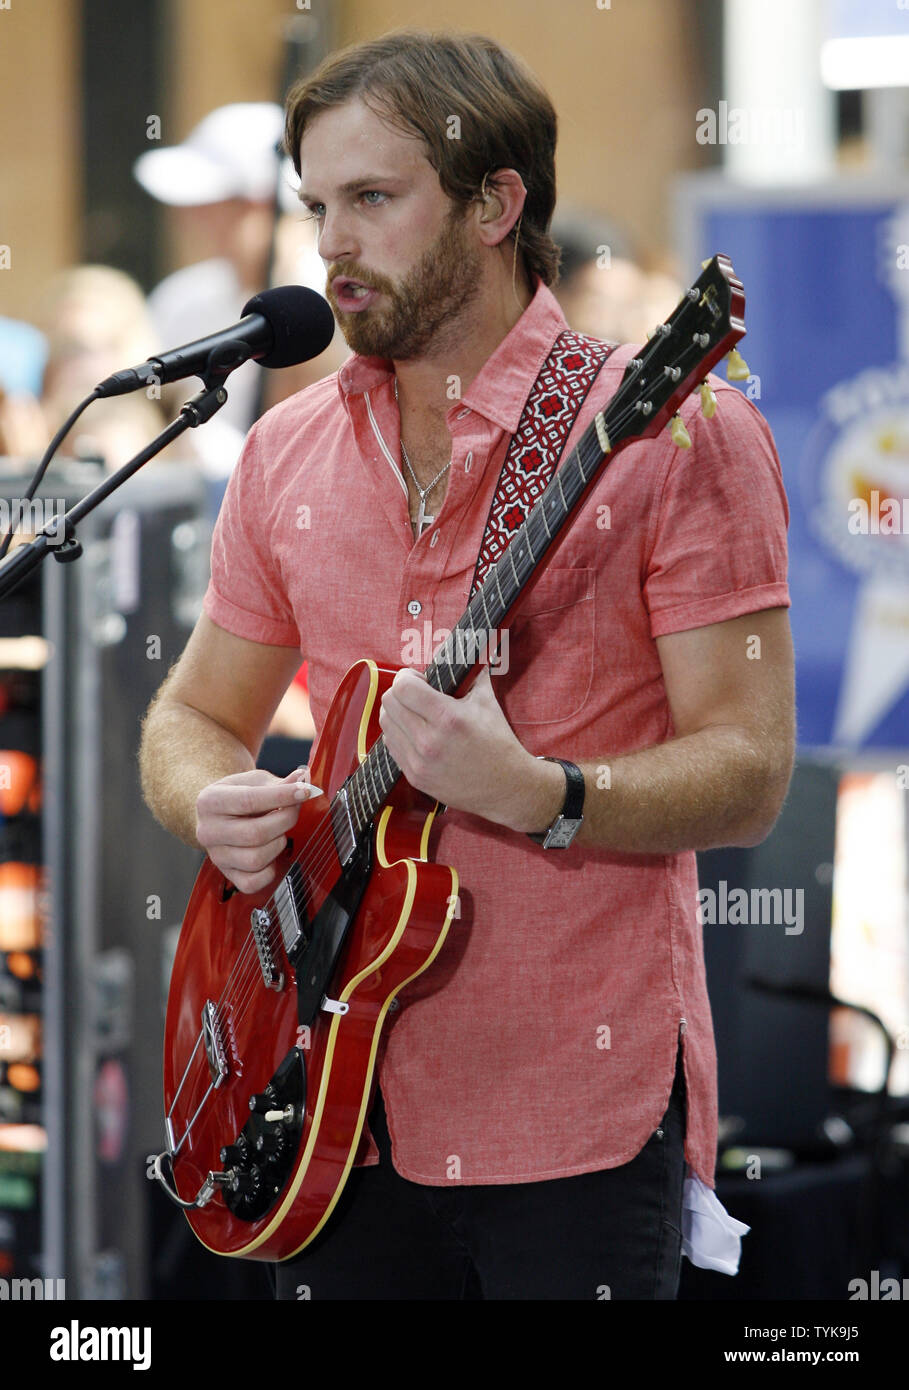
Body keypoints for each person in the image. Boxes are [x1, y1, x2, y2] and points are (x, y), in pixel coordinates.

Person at [138, 30, 795, 1300]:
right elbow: (195, 716)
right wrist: (206, 802)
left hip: (574, 1121)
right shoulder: (285, 456)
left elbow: (752, 767)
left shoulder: (675, 433)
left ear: (497, 204)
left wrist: (546, 792)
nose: (330, 240)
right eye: (316, 205)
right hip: (326, 1105)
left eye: (373, 199)